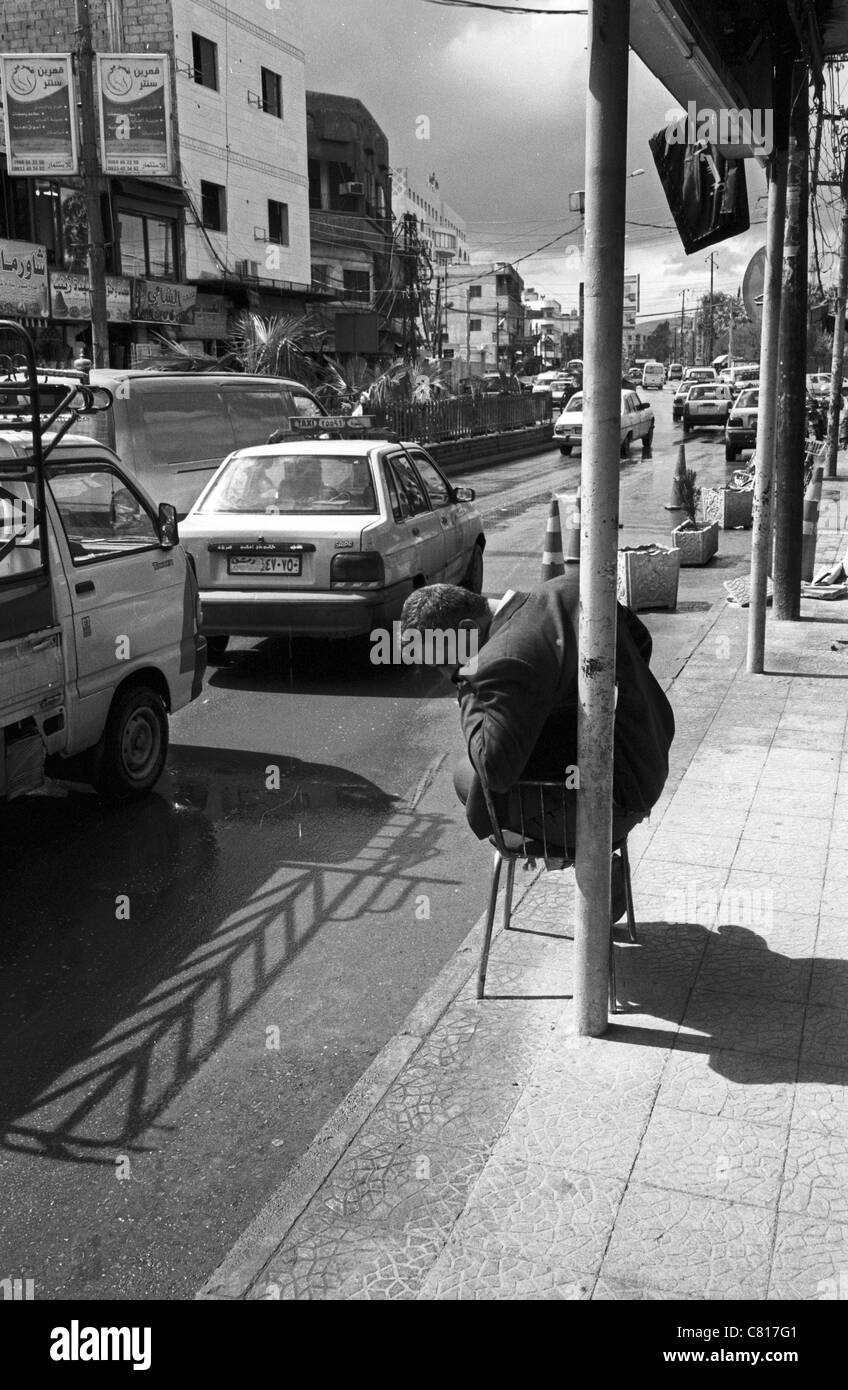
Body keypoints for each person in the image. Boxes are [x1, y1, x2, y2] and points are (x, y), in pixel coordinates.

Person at [400, 572, 675, 919]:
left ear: (467, 628)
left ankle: (580, 857)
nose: (443, 673)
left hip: (613, 803)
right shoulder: (570, 589)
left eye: (442, 660)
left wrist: (464, 681)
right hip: (647, 757)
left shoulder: (498, 659)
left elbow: (494, 771)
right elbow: (640, 639)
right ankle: (575, 853)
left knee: (465, 775)